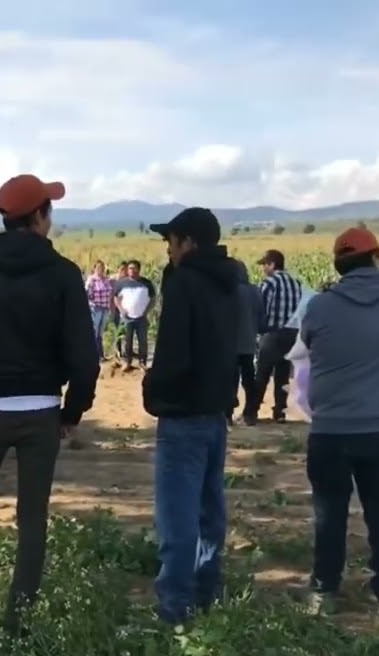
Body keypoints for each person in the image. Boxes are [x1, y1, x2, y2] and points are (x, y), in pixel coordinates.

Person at [0, 174, 98, 645]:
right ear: (40, 216)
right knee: (32, 518)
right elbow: (84, 355)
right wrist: (72, 410)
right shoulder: (63, 273)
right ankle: (18, 622)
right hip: (42, 411)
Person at [298, 227, 379, 617]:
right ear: (377, 258)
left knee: (330, 514)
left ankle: (324, 591)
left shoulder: (320, 305)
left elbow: (308, 342)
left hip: (331, 428)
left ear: (338, 264)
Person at [143, 208, 240, 624]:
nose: (168, 249)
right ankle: (206, 590)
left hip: (183, 412)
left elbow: (173, 352)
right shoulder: (229, 281)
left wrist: (154, 391)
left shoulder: (184, 283)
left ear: (189, 243)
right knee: (208, 509)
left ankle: (175, 606)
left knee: (177, 515)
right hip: (216, 410)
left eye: (172, 241)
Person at [244, 249, 303, 424]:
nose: (263, 268)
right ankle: (280, 412)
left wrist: (257, 330)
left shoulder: (269, 283)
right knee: (283, 375)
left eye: (265, 265)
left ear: (272, 264)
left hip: (272, 333)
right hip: (292, 333)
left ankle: (252, 413)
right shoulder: (296, 284)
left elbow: (261, 308)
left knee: (262, 373)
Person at [110, 260, 155, 371]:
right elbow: (115, 298)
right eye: (130, 268)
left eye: (134, 268)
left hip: (141, 318)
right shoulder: (121, 283)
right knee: (127, 341)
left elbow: (153, 299)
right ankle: (127, 362)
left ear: (139, 269)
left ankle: (142, 362)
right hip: (127, 318)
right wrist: (121, 309)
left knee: (143, 341)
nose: (132, 270)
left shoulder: (147, 283)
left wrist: (146, 311)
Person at [232, 256, 261, 425]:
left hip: (230, 343)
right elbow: (261, 317)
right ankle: (250, 413)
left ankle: (227, 414)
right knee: (249, 379)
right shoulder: (254, 291)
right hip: (249, 342)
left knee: (231, 379)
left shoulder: (228, 291)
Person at [85, 260, 113, 360]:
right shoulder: (92, 280)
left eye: (102, 267)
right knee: (94, 332)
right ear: (95, 268)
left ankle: (101, 354)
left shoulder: (106, 279)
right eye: (98, 267)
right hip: (95, 308)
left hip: (105, 308)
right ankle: (94, 355)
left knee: (100, 333)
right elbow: (86, 293)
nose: (100, 269)